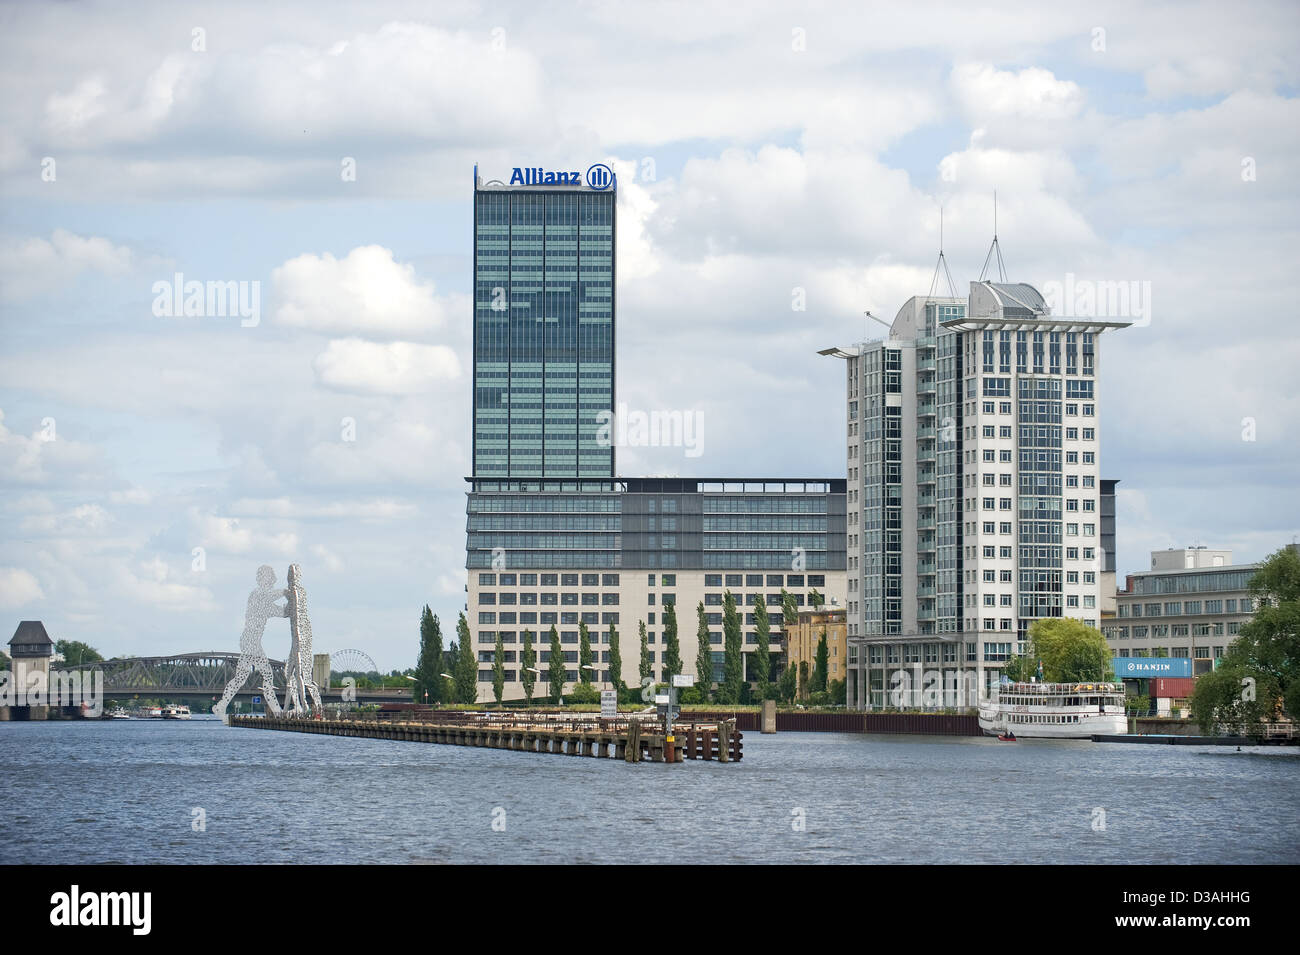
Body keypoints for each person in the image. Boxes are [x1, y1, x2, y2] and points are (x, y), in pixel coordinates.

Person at [214, 566, 288, 718]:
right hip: (250, 641)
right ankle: (277, 712)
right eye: (267, 578)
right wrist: (286, 592)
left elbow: (282, 612)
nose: (270, 582)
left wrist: (291, 604)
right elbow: (269, 596)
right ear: (262, 579)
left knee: (240, 678)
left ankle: (221, 706)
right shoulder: (257, 594)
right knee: (266, 675)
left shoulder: (266, 604)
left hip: (251, 642)